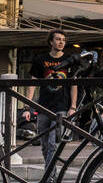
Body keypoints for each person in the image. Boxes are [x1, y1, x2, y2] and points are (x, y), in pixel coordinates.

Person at [28, 30, 80, 169]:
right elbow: (33, 82)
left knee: (52, 142)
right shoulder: (41, 60)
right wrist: (28, 105)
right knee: (44, 144)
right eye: (58, 39)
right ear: (51, 42)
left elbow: (73, 85)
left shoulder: (69, 61)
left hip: (61, 107)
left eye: (63, 39)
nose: (61, 42)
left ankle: (49, 177)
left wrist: (73, 106)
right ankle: (50, 172)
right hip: (43, 106)